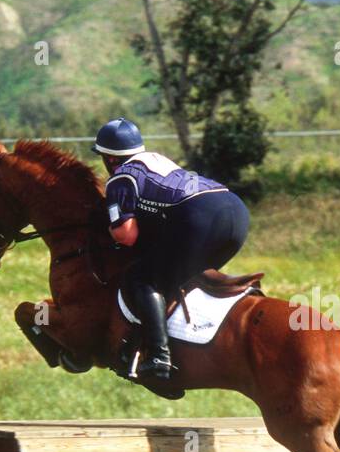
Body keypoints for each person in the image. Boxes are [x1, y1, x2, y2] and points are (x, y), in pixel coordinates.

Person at [95, 117, 251, 381]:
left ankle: (158, 355)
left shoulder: (120, 177)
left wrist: (108, 225)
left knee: (142, 278)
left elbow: (127, 234)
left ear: (110, 159)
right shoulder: (156, 160)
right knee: (179, 276)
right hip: (236, 211)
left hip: (202, 217)